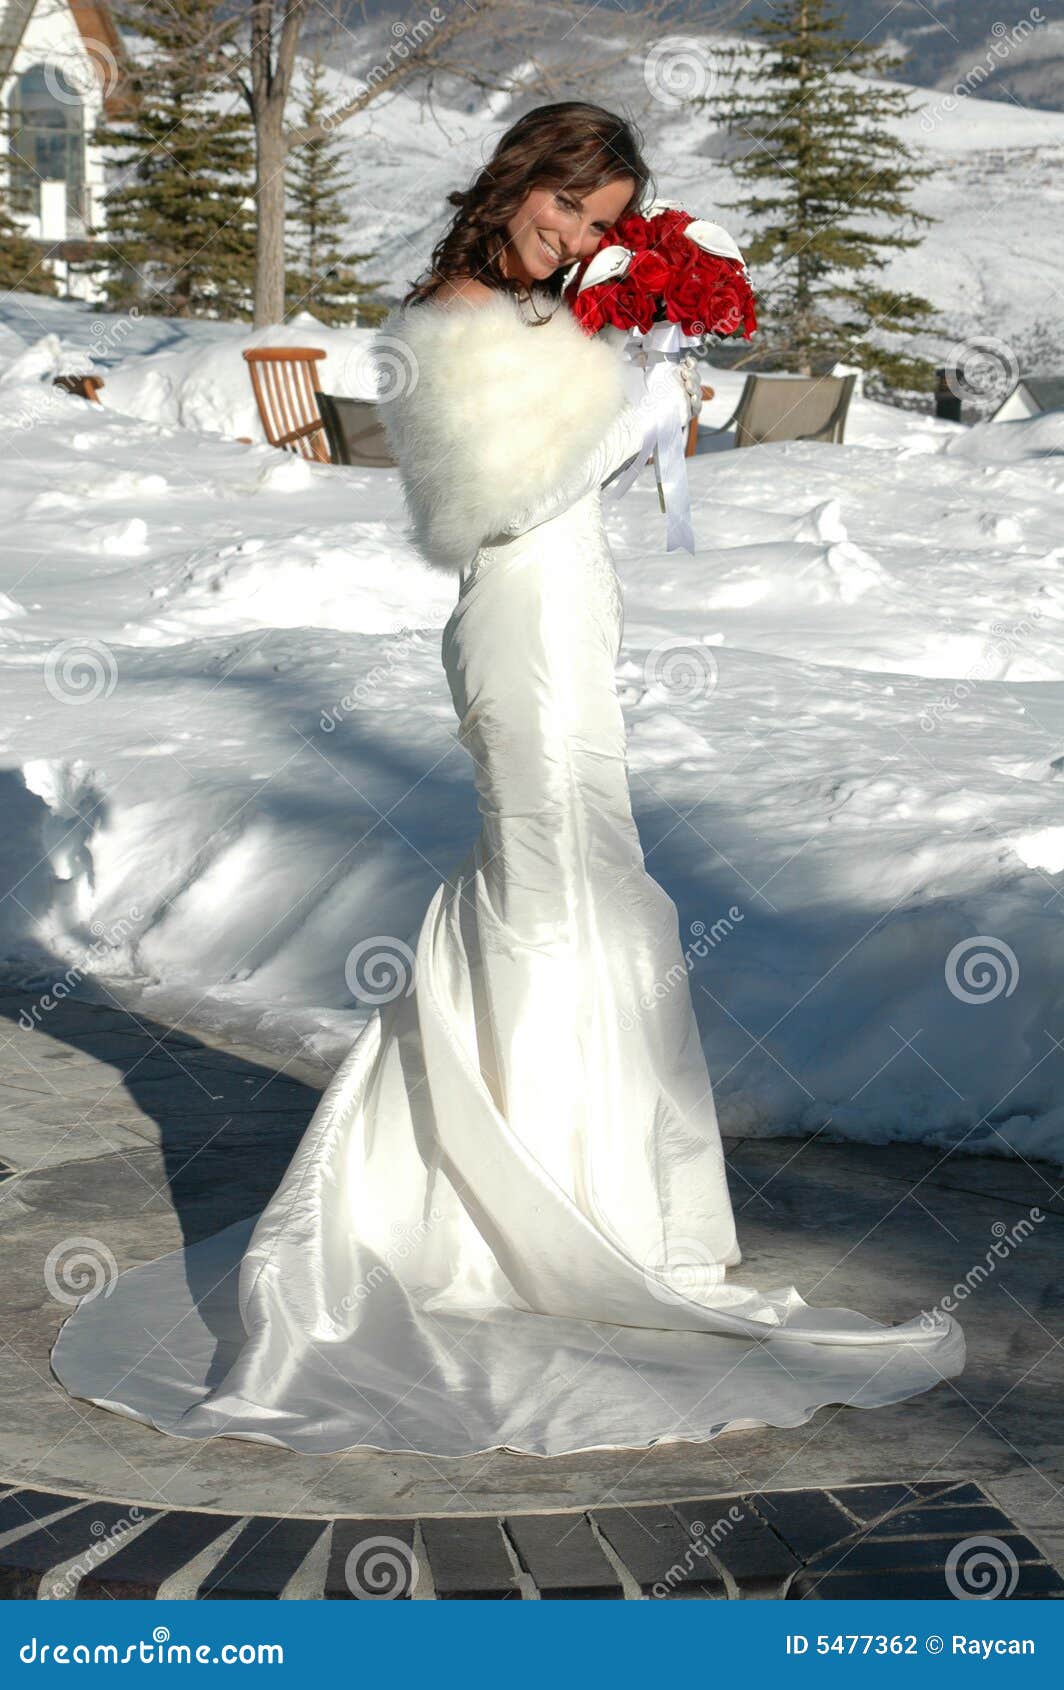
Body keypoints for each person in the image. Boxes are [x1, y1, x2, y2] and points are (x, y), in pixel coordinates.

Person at [50, 102, 964, 1457]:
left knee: (593, 904)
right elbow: (483, 504)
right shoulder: (450, 317)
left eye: (602, 224)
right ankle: (517, 1218)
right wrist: (631, 393)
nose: (579, 236)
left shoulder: (542, 309)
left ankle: (592, 1200)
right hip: (516, 637)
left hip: (571, 624)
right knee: (552, 903)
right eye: (567, 206)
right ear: (519, 179)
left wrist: (637, 354)